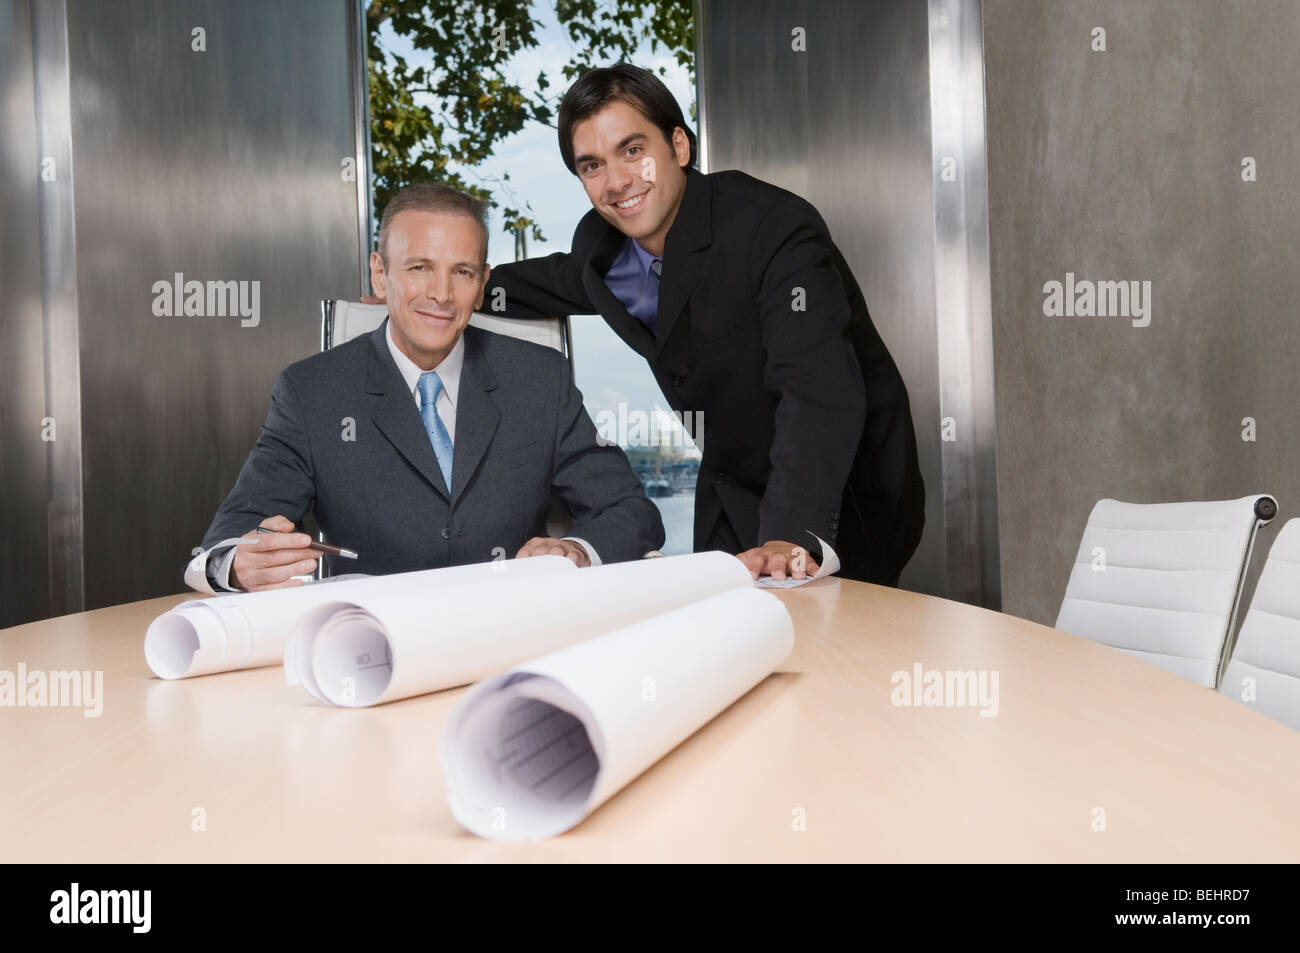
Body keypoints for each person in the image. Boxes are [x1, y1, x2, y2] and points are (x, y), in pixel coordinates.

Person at [483, 64, 924, 584]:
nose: (617, 181)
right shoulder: (600, 253)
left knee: (840, 655)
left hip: (837, 494)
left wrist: (790, 535)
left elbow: (816, 390)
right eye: (592, 165)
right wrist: (451, 284)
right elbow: (552, 280)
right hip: (730, 489)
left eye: (632, 150)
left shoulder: (774, 229)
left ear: (679, 146)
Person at [184, 182, 663, 594]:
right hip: (372, 648)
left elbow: (631, 513)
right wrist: (240, 564)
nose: (440, 293)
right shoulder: (311, 391)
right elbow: (226, 541)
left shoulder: (540, 378)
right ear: (380, 272)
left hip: (513, 639)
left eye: (461, 272)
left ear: (482, 285)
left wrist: (576, 550)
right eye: (418, 267)